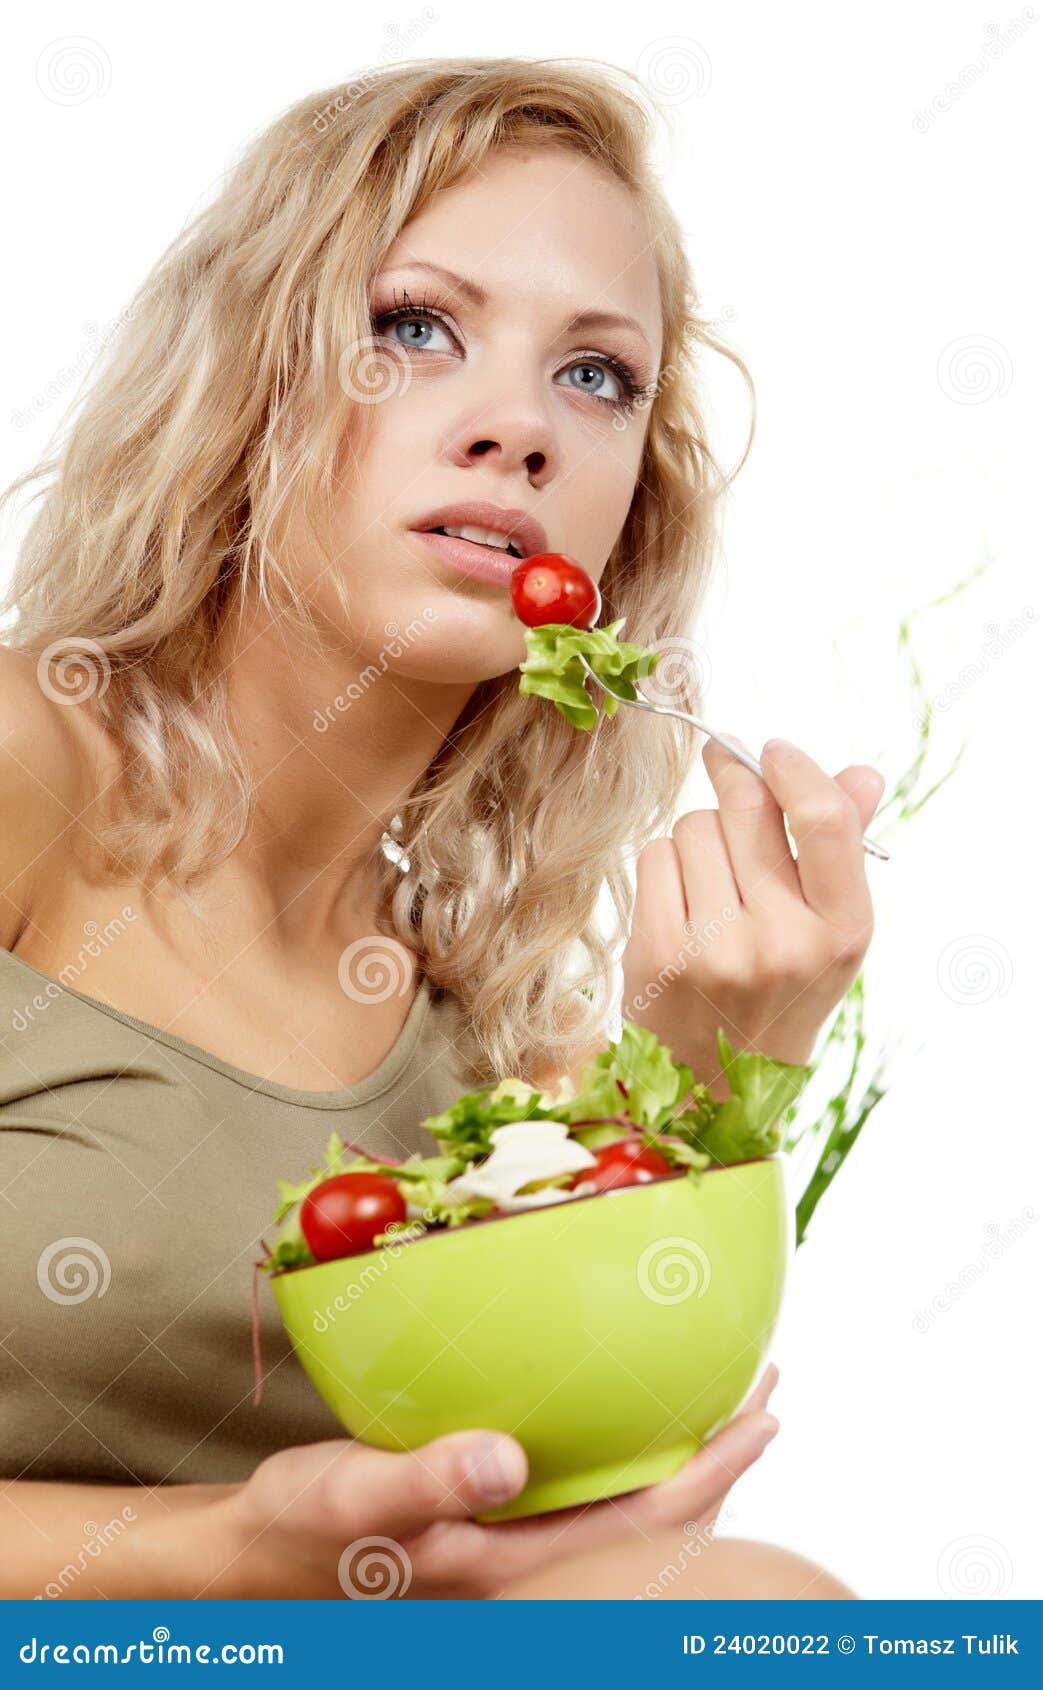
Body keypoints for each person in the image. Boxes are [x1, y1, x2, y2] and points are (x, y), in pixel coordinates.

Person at [0, 57, 878, 1600]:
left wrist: (708, 1079)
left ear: (629, 521)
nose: (518, 427)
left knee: (755, 1608)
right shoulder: (28, 761)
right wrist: (237, 1549)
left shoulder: (490, 1046)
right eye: (413, 329)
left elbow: (579, 1524)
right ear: (251, 373)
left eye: (594, 376)